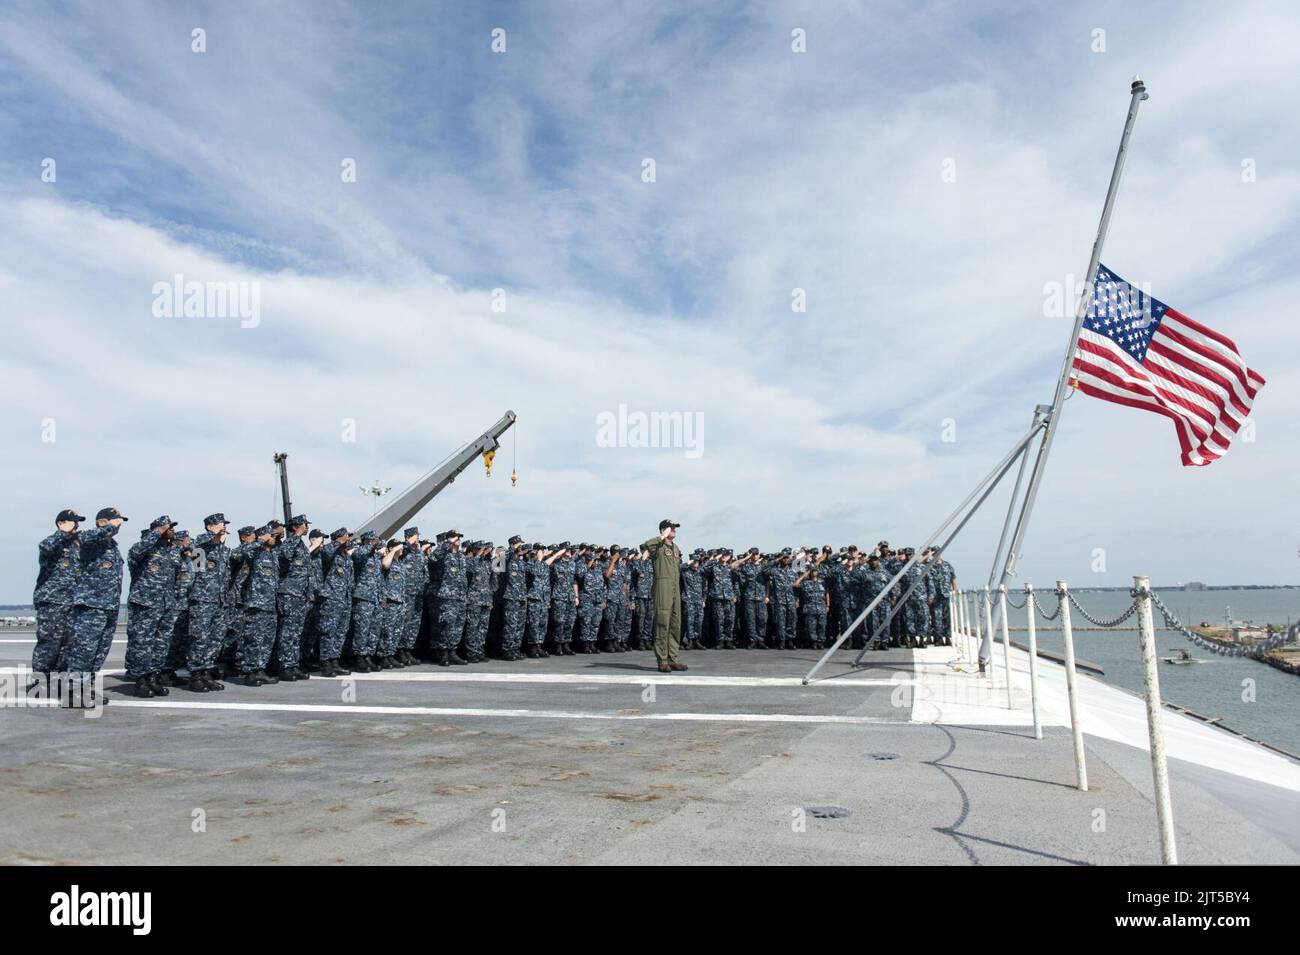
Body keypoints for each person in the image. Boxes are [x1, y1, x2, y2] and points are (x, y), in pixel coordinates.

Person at [64, 507, 127, 706]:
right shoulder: (90, 540)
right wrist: (109, 527)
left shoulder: (111, 545)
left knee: (99, 651)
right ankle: (73, 692)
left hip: (108, 606)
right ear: (102, 522)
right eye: (116, 521)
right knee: (84, 650)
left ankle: (86, 689)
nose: (119, 526)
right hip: (91, 605)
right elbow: (82, 538)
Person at [32, 509, 85, 684]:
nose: (76, 525)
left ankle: (58, 680)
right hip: (52, 601)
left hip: (72, 601)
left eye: (77, 522)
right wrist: (63, 532)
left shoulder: (75, 546)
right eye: (73, 522)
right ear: (61, 523)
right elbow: (45, 546)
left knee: (68, 644)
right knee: (49, 642)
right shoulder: (53, 543)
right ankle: (40, 681)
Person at [643, 519, 685, 673]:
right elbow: (645, 546)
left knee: (676, 623)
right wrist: (661, 536)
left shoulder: (676, 548)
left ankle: (673, 658)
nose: (674, 530)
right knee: (662, 623)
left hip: (675, 588)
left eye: (675, 528)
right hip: (663, 587)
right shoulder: (657, 545)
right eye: (671, 528)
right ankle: (662, 660)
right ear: (663, 530)